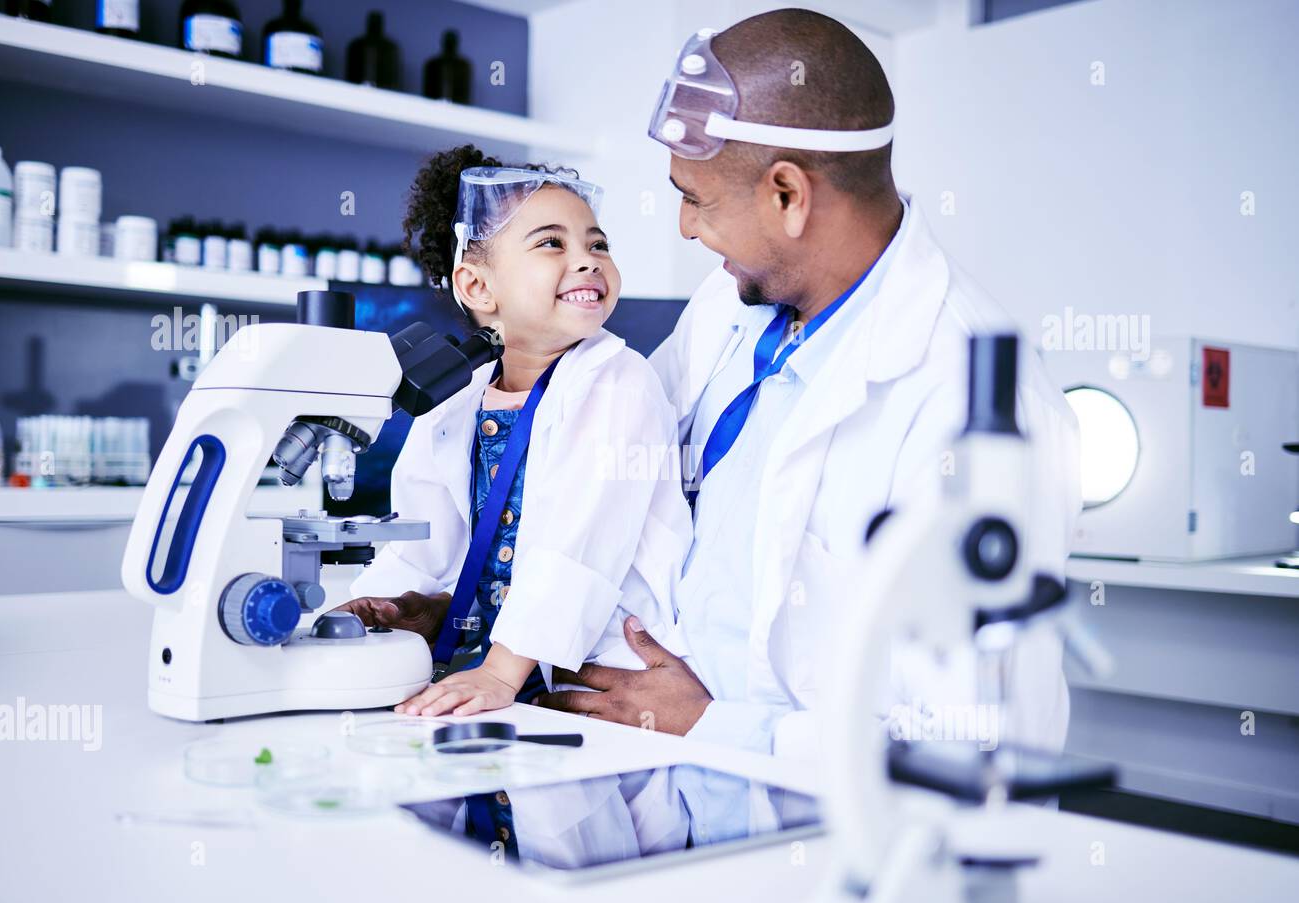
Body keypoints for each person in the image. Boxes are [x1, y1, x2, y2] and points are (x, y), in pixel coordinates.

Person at [536, 9, 1082, 758]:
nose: (686, 229)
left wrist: (712, 728)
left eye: (696, 198)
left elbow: (984, 741)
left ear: (787, 196)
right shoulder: (729, 304)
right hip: (671, 807)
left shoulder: (972, 398)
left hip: (822, 847)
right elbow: (609, 469)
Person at [340, 145, 692, 716]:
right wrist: (386, 605)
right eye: (552, 243)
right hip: (488, 673)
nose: (587, 260)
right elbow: (422, 538)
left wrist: (501, 673)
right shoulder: (455, 399)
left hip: (593, 674)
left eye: (597, 243)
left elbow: (579, 543)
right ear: (478, 287)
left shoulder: (617, 380)